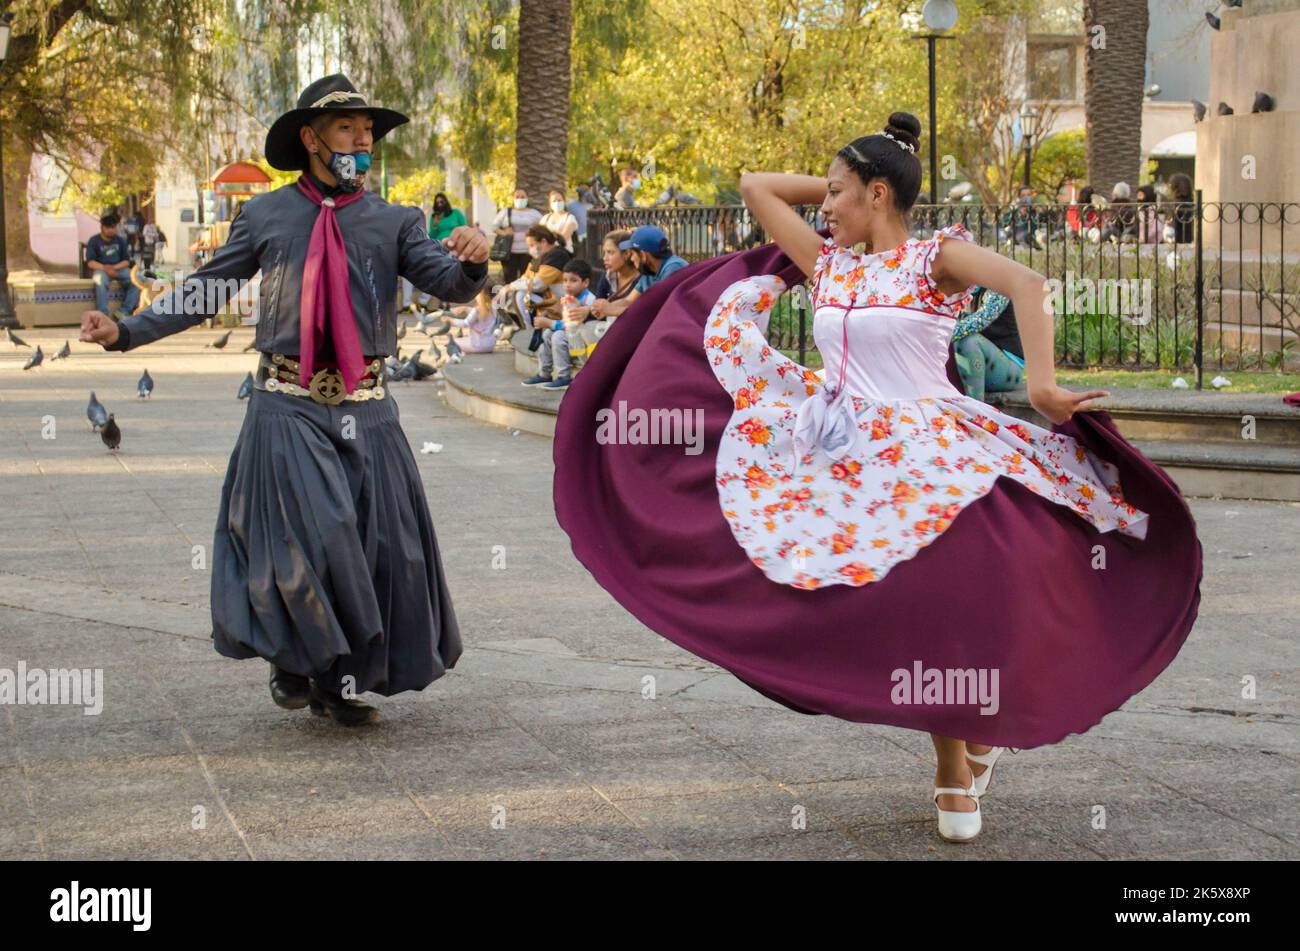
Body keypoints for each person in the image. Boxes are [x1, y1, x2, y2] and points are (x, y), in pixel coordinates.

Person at [551, 111, 1200, 844]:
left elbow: (1028, 281)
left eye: (837, 194)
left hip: (929, 441)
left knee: (952, 585)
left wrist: (1046, 390)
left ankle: (957, 756)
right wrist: (852, 172)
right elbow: (754, 185)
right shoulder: (830, 263)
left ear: (880, 195)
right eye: (823, 196)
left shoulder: (934, 259)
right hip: (840, 445)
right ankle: (965, 734)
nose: (822, 208)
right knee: (860, 598)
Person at [79, 74, 490, 726]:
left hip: (369, 410)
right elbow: (206, 290)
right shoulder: (267, 215)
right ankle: (293, 658)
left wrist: (472, 261)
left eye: (369, 131)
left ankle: (339, 679)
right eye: (349, 128)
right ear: (311, 137)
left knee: (378, 549)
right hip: (285, 403)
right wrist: (126, 330)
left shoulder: (394, 220)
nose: (363, 140)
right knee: (314, 534)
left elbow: (449, 282)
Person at [521, 258, 594, 390]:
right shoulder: (569, 298)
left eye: (573, 280)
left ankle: (564, 376)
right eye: (565, 280)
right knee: (548, 333)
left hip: (583, 339)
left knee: (557, 336)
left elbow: (572, 324)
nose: (567, 285)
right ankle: (545, 373)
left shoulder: (588, 300)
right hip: (572, 335)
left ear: (585, 282)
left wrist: (551, 323)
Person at [589, 225, 688, 322]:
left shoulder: (674, 267)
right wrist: (604, 307)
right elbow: (628, 301)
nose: (631, 259)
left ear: (643, 255)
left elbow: (658, 310)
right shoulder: (649, 271)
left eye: (632, 254)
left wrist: (614, 310)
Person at [951, 287, 1025, 401]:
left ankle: (976, 409)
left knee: (966, 339)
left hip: (1009, 370)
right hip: (981, 363)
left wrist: (940, 332)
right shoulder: (966, 289)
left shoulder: (998, 287)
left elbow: (981, 320)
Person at [85, 214, 140, 317]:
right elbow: (90, 263)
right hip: (100, 269)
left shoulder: (120, 240)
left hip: (118, 269)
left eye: (113, 227)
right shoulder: (94, 241)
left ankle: (124, 311)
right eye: (108, 227)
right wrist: (106, 269)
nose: (111, 230)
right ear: (102, 228)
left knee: (137, 279)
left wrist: (114, 268)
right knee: (100, 280)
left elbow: (126, 261)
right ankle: (103, 314)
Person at [492, 188, 543, 282]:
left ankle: (524, 296)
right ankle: (510, 296)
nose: (520, 199)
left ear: (527, 198)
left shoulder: (534, 213)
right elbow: (494, 227)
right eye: (517, 197)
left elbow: (544, 227)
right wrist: (504, 233)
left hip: (528, 252)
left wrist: (534, 231)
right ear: (513, 198)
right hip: (509, 252)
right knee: (509, 279)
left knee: (526, 278)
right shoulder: (505, 212)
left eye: (522, 197)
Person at [446, 288, 498, 353]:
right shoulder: (493, 309)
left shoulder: (477, 310)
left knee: (452, 342)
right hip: (490, 346)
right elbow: (478, 313)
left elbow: (465, 323)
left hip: (478, 346)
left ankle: (456, 359)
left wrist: (450, 320)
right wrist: (465, 308)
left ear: (479, 297)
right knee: (464, 339)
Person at [539, 189, 579, 253]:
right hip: (546, 253)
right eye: (554, 201)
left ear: (564, 201)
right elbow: (539, 235)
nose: (557, 203)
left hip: (563, 252)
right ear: (550, 204)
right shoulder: (545, 218)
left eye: (559, 200)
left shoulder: (570, 218)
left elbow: (563, 238)